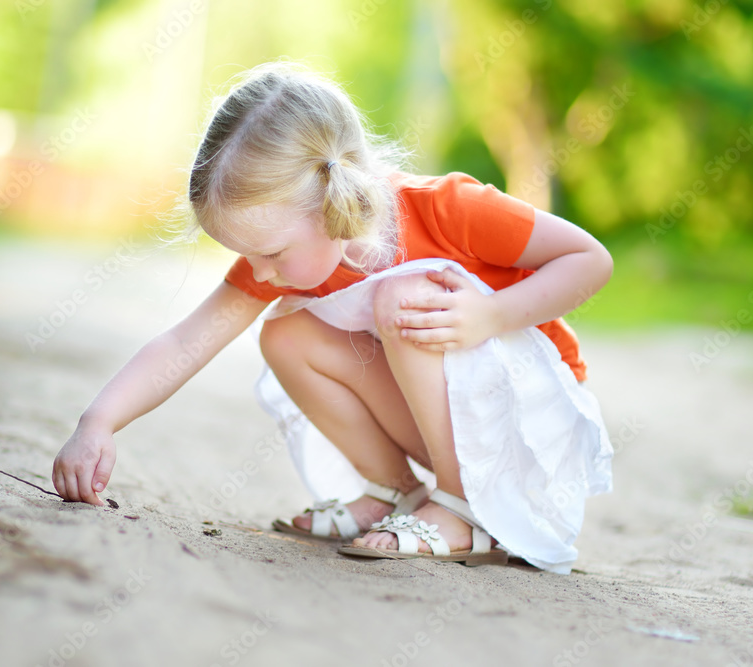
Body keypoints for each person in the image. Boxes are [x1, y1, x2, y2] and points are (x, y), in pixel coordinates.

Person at [52, 62, 614, 574]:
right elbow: (186, 342)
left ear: (332, 201)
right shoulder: (294, 251)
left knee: (405, 296)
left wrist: (491, 314)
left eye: (270, 253)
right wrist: (97, 423)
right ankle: (395, 491)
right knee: (287, 332)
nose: (260, 273)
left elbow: (590, 259)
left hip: (524, 433)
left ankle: (464, 507)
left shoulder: (446, 208)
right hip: (452, 428)